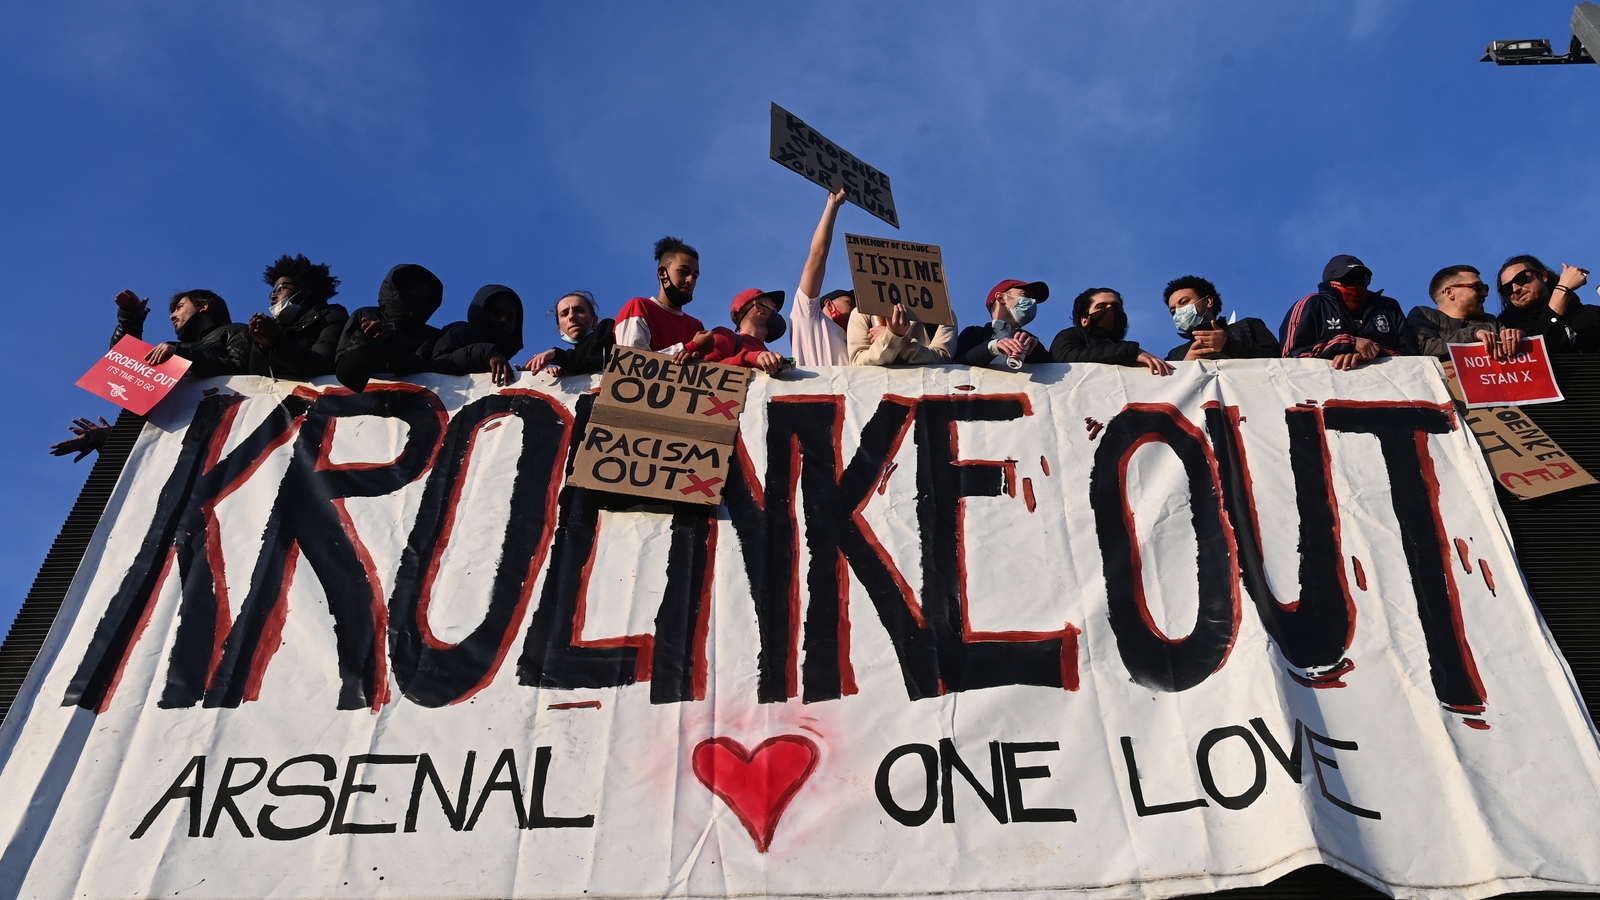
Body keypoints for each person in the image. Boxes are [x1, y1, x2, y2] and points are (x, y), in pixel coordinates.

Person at [1280, 254, 1416, 370]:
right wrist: (1348, 343)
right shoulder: (1311, 304)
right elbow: (1291, 357)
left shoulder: (1389, 307)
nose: (1356, 286)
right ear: (1331, 283)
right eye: (1348, 280)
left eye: (1362, 280)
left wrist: (1371, 351)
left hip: (1387, 388)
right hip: (1326, 388)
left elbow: (1413, 358)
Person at [334, 263, 445, 392]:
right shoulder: (365, 314)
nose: (422, 297)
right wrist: (365, 342)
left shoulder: (431, 336)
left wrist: (393, 340)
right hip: (358, 399)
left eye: (427, 296)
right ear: (398, 288)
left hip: (407, 400)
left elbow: (419, 371)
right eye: (417, 290)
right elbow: (342, 366)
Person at [247, 254, 348, 379]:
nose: (273, 296)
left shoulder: (330, 317)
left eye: (280, 288)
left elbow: (322, 365)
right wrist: (263, 346)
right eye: (273, 292)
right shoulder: (275, 328)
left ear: (305, 292)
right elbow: (258, 380)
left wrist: (277, 341)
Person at [111, 288, 251, 376]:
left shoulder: (234, 331)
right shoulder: (173, 348)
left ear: (203, 306)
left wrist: (181, 354)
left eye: (180, 307)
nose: (172, 316)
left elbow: (240, 370)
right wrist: (130, 319)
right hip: (172, 415)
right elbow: (124, 364)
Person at [791, 188, 855, 366]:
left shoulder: (859, 346)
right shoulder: (808, 317)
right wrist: (832, 206)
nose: (857, 312)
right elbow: (817, 255)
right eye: (850, 304)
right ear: (829, 304)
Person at [1408, 265, 1521, 361]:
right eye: (1478, 287)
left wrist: (1517, 338)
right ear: (1450, 292)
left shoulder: (1491, 322)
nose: (1485, 293)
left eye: (1485, 288)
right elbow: (1424, 350)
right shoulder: (1424, 315)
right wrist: (1472, 335)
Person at [614, 237, 705, 353]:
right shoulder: (639, 307)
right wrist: (691, 347)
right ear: (662, 273)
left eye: (695, 276)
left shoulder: (697, 326)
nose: (690, 280)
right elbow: (630, 359)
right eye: (683, 272)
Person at [1050, 288, 1172, 375]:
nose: (1110, 310)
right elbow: (1065, 357)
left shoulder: (1123, 349)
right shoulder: (1071, 335)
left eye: (1116, 306)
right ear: (1084, 320)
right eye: (1101, 307)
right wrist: (1130, 352)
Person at [1495, 254, 1599, 353]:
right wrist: (1562, 289)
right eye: (1507, 288)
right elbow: (1537, 351)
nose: (1515, 289)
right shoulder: (1507, 329)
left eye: (1521, 278)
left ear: (1543, 276)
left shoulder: (1592, 314)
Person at [1162, 275, 1280, 361]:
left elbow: (1280, 361)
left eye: (1184, 302)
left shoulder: (1248, 326)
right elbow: (1167, 386)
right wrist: (1185, 367)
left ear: (1208, 301)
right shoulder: (1174, 356)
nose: (1179, 312)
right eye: (1173, 311)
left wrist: (1228, 345)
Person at [428, 284, 524, 386]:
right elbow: (437, 364)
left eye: (511, 320)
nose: (504, 320)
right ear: (482, 312)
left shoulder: (502, 358)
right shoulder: (460, 331)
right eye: (496, 313)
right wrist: (486, 354)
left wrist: (521, 379)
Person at [677, 288, 787, 375]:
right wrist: (752, 358)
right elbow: (706, 371)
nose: (777, 314)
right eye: (774, 308)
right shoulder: (725, 336)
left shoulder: (768, 355)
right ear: (758, 306)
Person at [954, 279, 1051, 369]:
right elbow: (955, 365)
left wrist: (1035, 351)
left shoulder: (1032, 342)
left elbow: (1052, 370)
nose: (1032, 302)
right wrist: (993, 347)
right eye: (1025, 295)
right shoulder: (974, 334)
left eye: (1033, 299)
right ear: (1001, 298)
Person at [522, 291, 615, 377]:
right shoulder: (567, 364)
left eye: (579, 310)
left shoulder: (607, 328)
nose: (571, 316)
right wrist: (524, 376)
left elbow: (599, 363)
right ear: (561, 330)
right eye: (565, 314)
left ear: (594, 321)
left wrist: (557, 355)